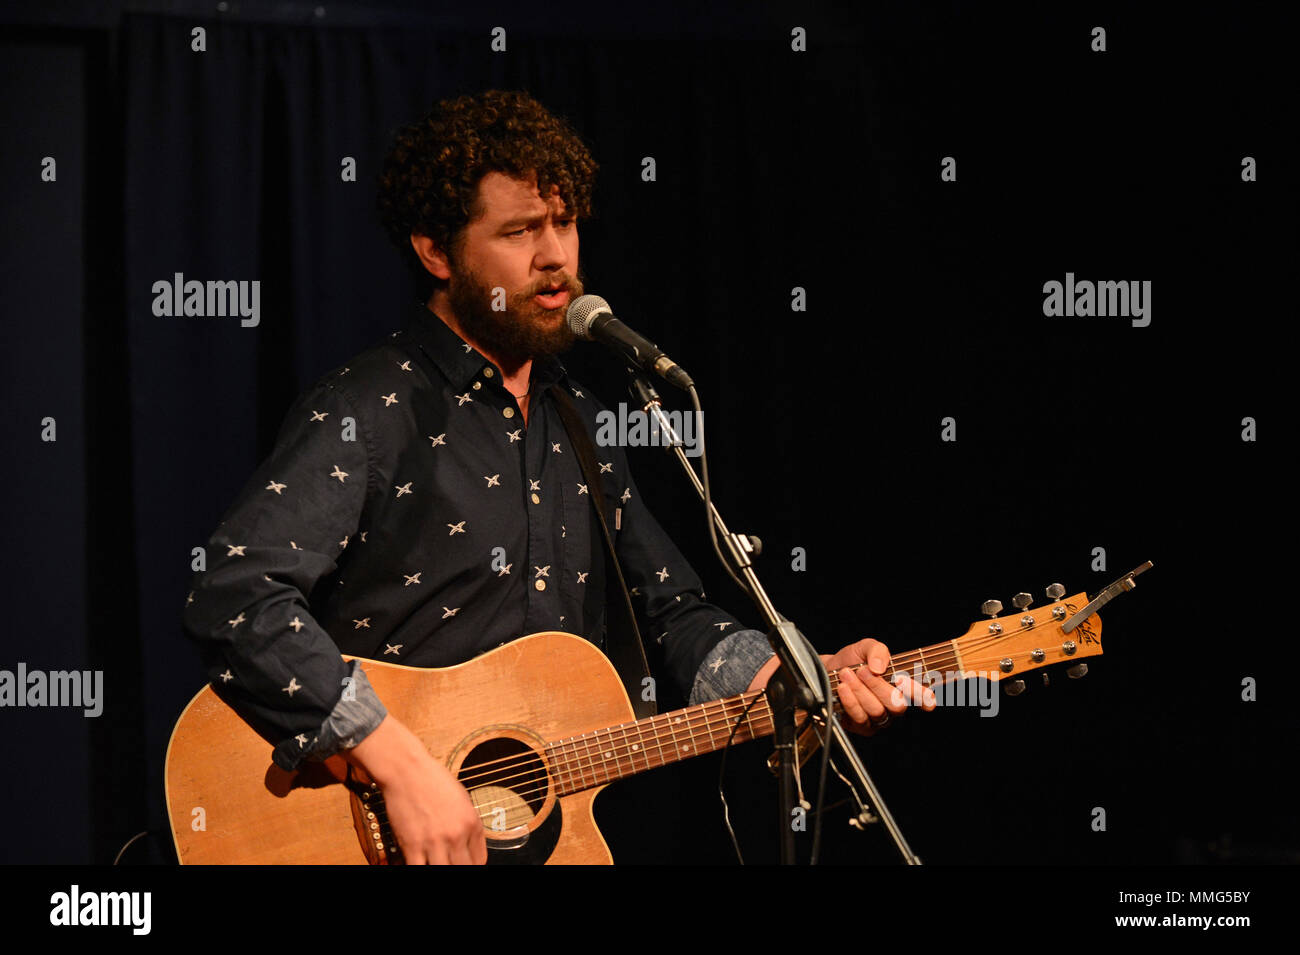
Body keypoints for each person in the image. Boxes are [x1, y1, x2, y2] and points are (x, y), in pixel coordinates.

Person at [182, 89, 934, 865]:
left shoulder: (581, 419)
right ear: (436, 252)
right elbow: (235, 591)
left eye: (564, 224)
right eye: (519, 231)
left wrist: (793, 681)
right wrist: (400, 764)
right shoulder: (371, 406)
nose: (556, 258)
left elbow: (673, 613)